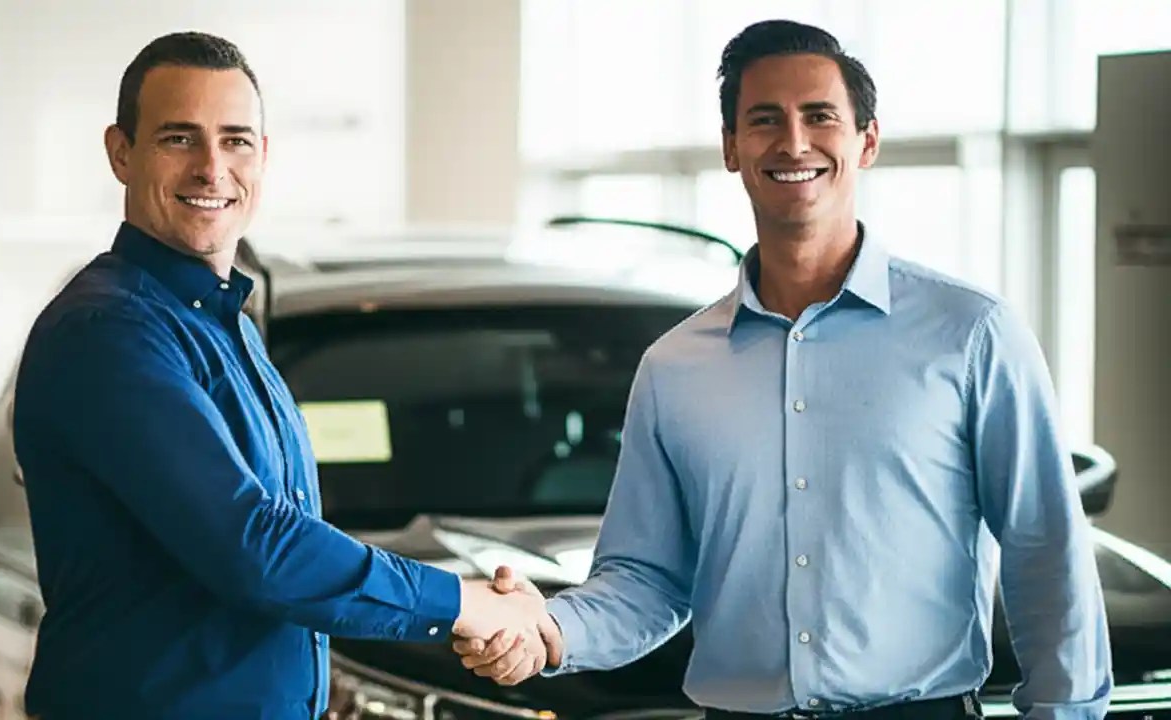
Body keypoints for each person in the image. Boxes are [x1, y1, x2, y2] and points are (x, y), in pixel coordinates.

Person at [454, 19, 1113, 720]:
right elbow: (648, 580)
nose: (793, 142)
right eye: (764, 120)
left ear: (867, 139)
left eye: (819, 116)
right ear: (733, 149)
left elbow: (1047, 557)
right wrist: (551, 629)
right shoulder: (674, 367)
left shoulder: (972, 334)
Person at [11, 31, 541, 720]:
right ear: (121, 152)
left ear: (263, 156)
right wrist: (464, 602)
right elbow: (255, 547)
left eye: (235, 140)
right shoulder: (110, 331)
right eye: (178, 138)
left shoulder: (227, 321)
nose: (211, 167)